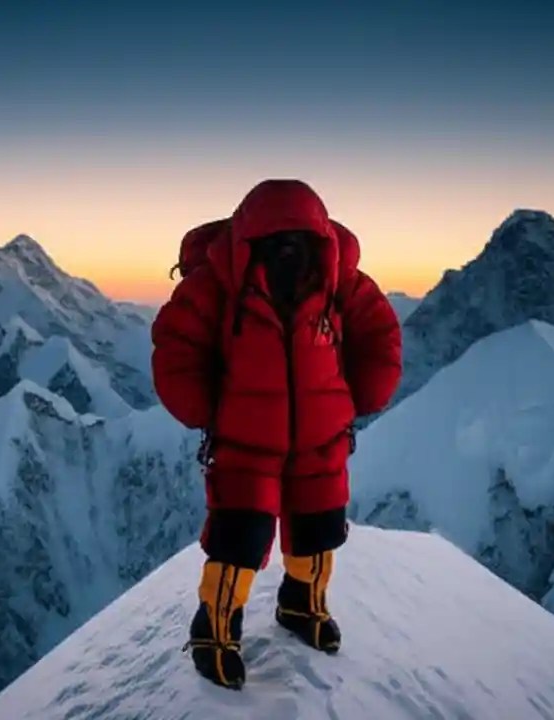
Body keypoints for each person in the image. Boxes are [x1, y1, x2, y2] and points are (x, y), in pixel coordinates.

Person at [151, 179, 402, 690]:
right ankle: (214, 631)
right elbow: (179, 345)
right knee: (238, 539)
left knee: (318, 529)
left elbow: (378, 335)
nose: (289, 249)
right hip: (246, 442)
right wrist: (207, 411)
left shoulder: (338, 282)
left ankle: (302, 606)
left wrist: (356, 397)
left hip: (318, 437)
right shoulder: (223, 281)